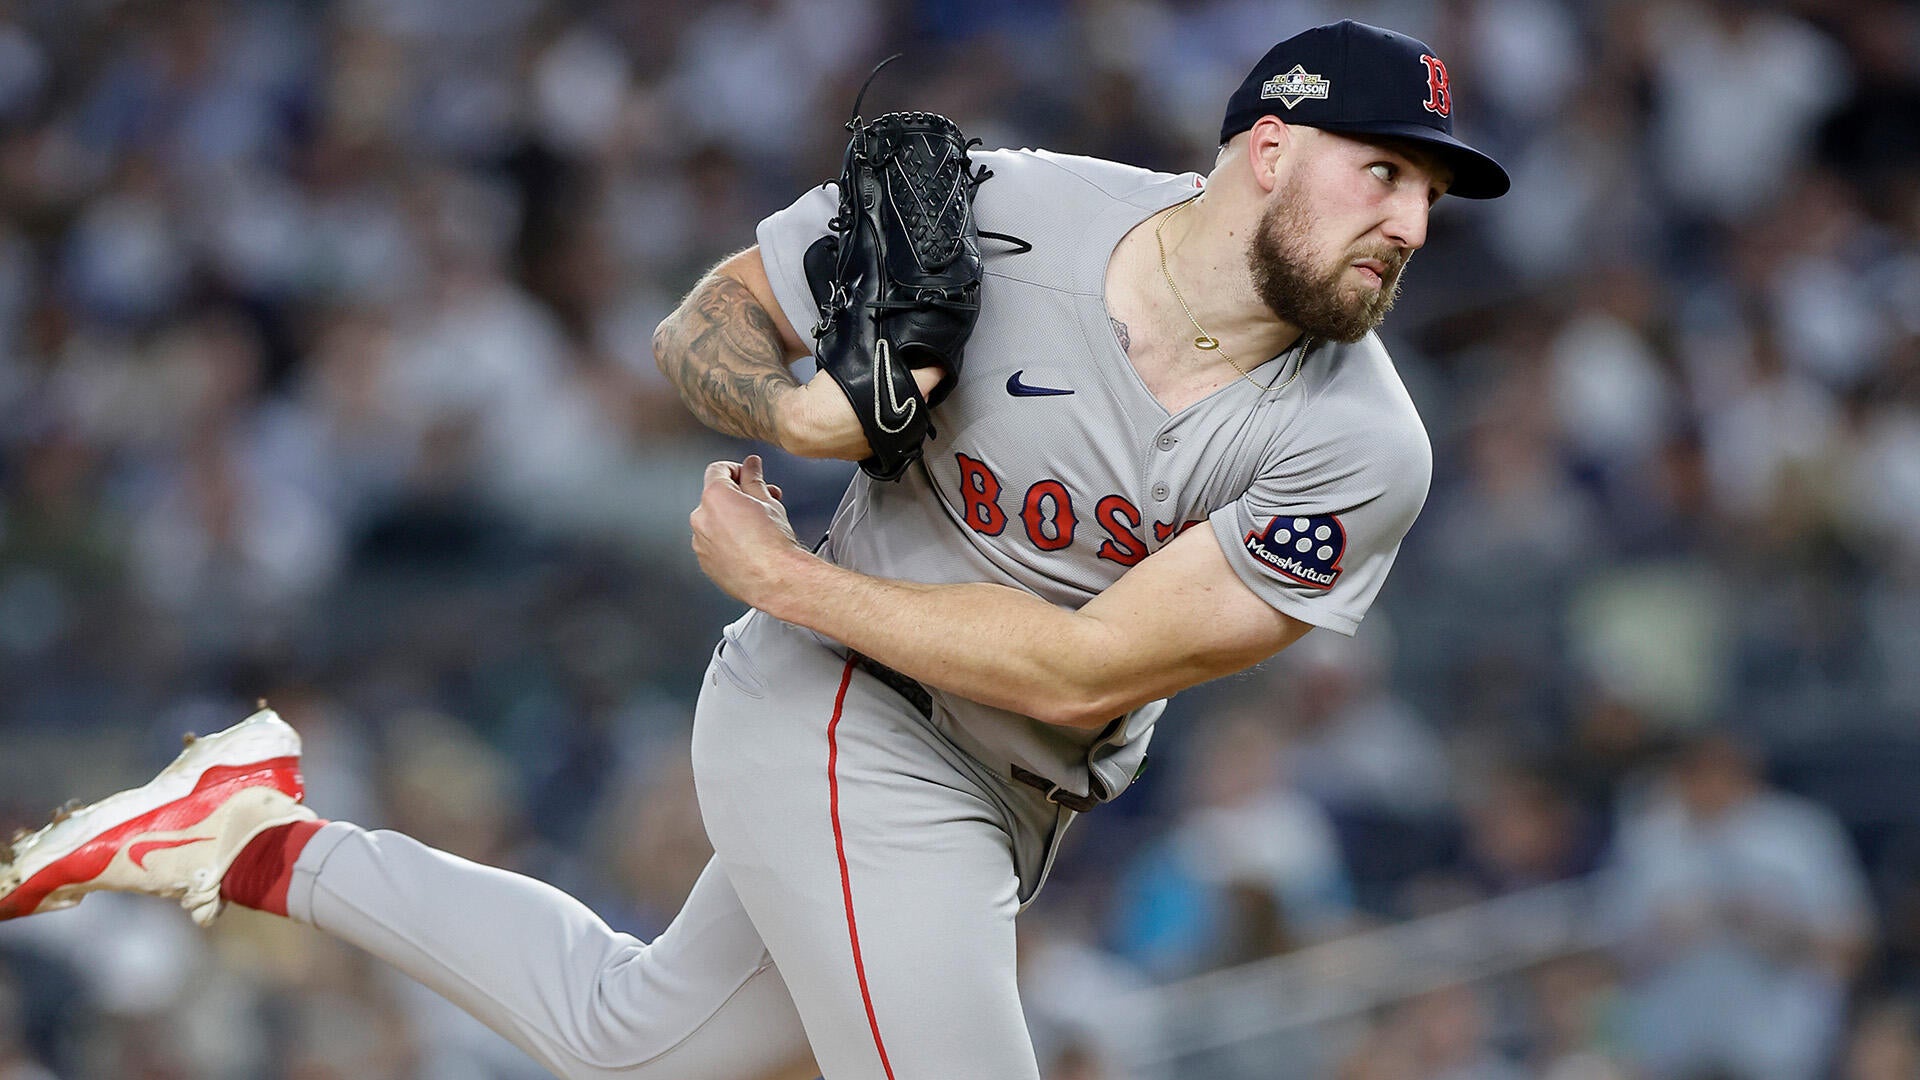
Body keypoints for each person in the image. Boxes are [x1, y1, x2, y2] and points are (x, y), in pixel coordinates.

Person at [0, 20, 1507, 1080]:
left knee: (630, 1042)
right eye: (1382, 173)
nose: (1410, 223)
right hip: (843, 717)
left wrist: (788, 574)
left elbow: (1083, 668)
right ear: (1267, 147)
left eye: (1432, 196)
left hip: (1004, 775)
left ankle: (250, 838)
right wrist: (796, 412)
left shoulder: (1361, 446)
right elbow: (703, 322)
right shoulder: (1010, 213)